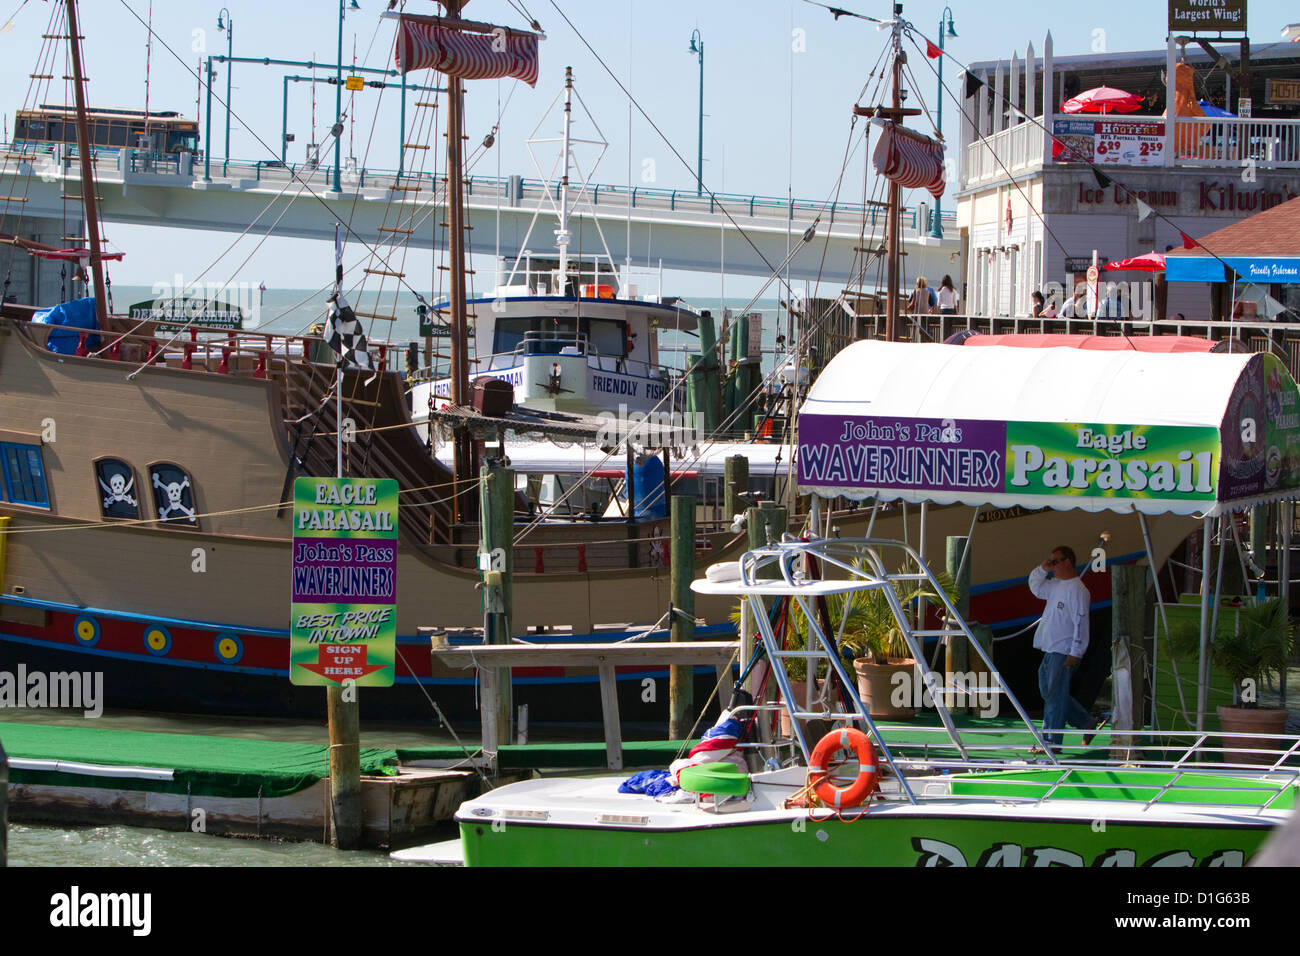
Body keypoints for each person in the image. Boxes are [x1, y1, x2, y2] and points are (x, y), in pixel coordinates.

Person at [1027, 546, 1099, 752]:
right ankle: (1085, 721)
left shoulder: (1078, 590)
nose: (1052, 566)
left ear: (1067, 562)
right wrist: (1043, 568)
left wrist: (1075, 652)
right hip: (1049, 648)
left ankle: (1050, 741)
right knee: (1050, 692)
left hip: (1063, 650)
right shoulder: (1056, 584)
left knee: (1054, 696)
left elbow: (1081, 623)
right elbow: (1035, 586)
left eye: (1055, 562)